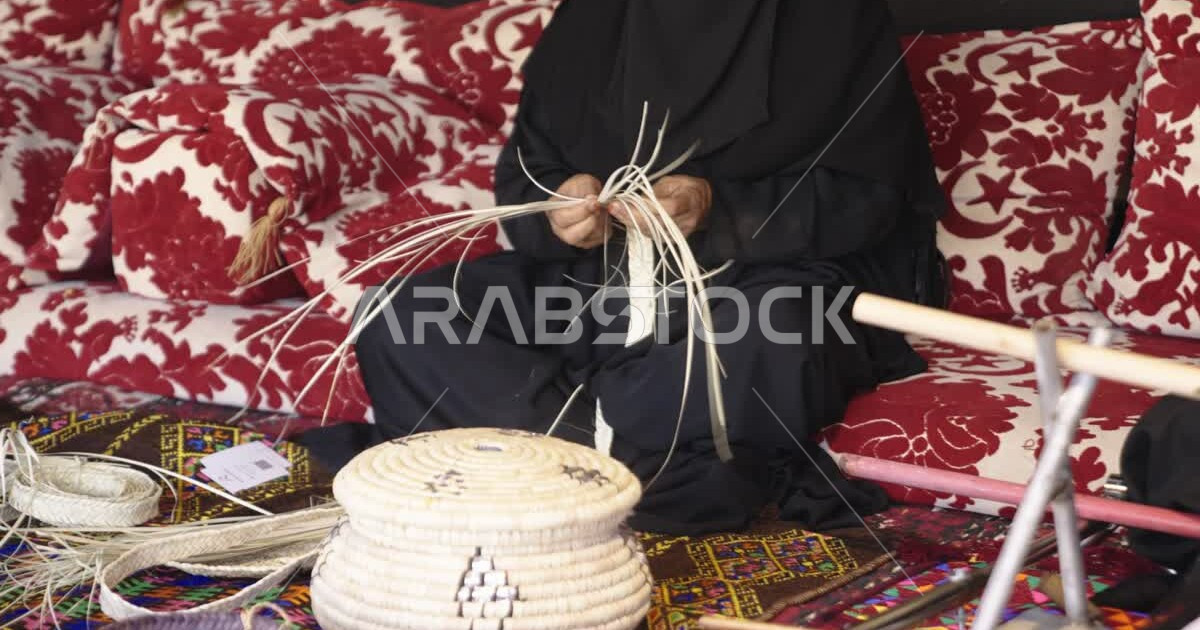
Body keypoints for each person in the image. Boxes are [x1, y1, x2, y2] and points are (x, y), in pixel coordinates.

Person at [298, 0, 946, 535]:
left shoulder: (829, 21)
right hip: (594, 284)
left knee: (771, 338)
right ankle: (653, 477)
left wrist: (719, 209)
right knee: (406, 314)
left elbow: (872, 200)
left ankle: (527, 460)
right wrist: (558, 210)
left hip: (758, 279)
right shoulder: (593, 18)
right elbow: (527, 175)